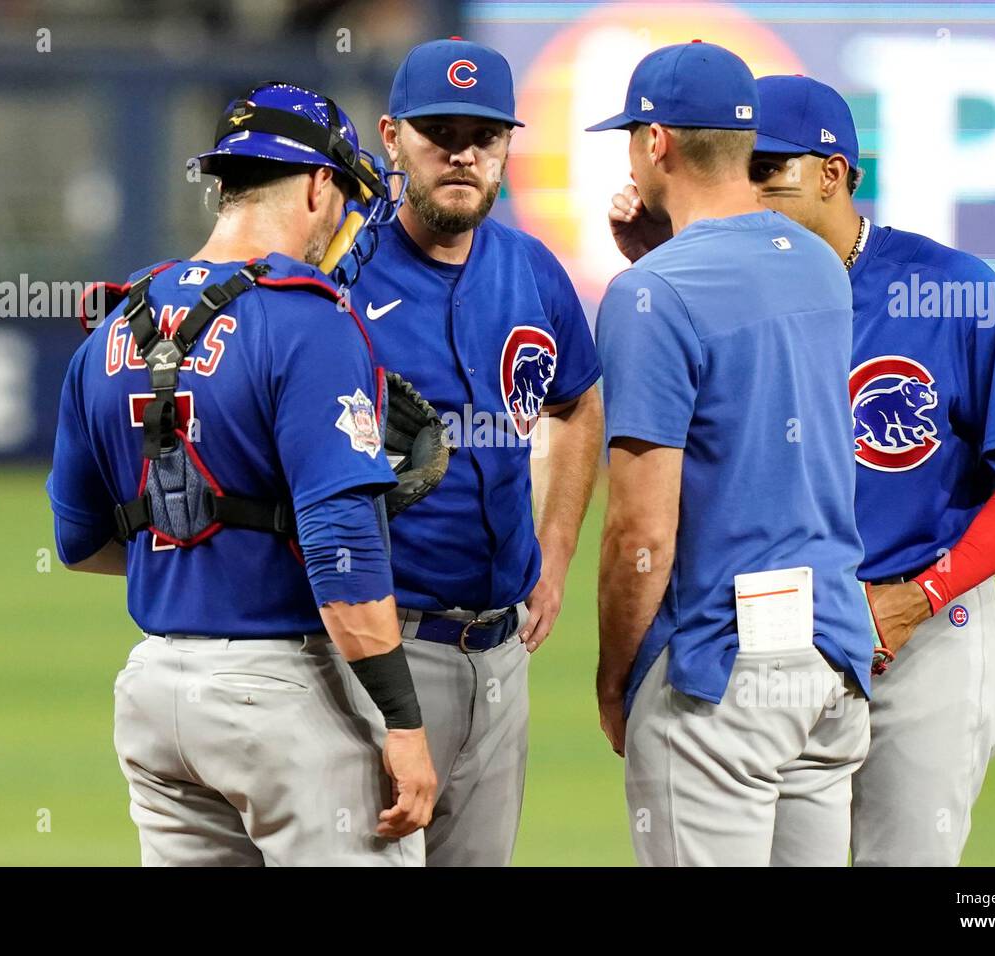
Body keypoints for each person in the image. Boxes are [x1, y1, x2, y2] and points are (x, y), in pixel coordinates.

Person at [46, 82, 438, 866]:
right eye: (343, 196)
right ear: (320, 183)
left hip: (157, 697)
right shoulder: (309, 319)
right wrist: (403, 721)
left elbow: (79, 540)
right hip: (280, 696)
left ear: (226, 182)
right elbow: (341, 547)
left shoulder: (114, 326)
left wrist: (204, 544)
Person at [747, 74, 995, 865]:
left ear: (832, 174)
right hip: (782, 638)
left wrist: (917, 598)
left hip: (926, 635)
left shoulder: (949, 290)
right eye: (737, 170)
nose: (747, 191)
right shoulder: (738, 292)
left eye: (767, 171)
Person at [591, 41, 873, 867]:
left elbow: (641, 532)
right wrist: (661, 259)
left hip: (722, 671)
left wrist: (618, 676)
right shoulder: (821, 267)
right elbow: (746, 375)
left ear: (656, 144)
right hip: (831, 660)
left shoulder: (651, 296)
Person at [351, 37, 604, 866]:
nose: (463, 151)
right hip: (379, 657)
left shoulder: (533, 269)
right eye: (439, 130)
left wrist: (556, 550)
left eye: (485, 134)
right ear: (391, 138)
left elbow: (577, 399)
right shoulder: (340, 283)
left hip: (499, 660)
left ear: (506, 147)